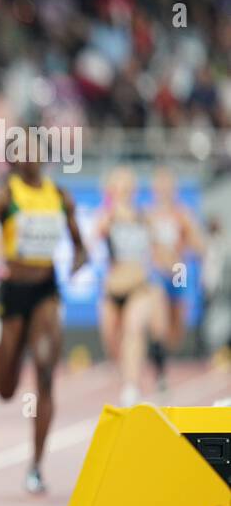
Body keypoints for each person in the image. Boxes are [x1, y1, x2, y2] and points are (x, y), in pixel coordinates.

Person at [0, 151, 88, 494]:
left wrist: (76, 263)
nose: (29, 158)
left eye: (35, 150)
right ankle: (5, 348)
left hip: (45, 291)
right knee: (6, 388)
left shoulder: (60, 196)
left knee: (45, 373)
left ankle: (36, 465)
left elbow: (80, 246)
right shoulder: (4, 196)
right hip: (12, 293)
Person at [95, 167, 162, 405]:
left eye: (127, 187)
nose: (123, 191)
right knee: (112, 339)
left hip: (139, 287)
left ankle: (132, 385)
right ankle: (125, 373)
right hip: (113, 289)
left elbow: (158, 250)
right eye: (118, 187)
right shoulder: (107, 216)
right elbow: (93, 240)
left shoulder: (144, 217)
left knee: (134, 329)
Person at [148, 166, 203, 388]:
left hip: (179, 275)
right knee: (159, 320)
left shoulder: (183, 215)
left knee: (176, 329)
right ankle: (159, 370)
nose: (164, 191)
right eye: (160, 186)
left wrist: (189, 247)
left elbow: (198, 245)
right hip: (158, 274)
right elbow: (145, 246)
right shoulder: (149, 215)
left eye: (167, 187)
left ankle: (163, 354)